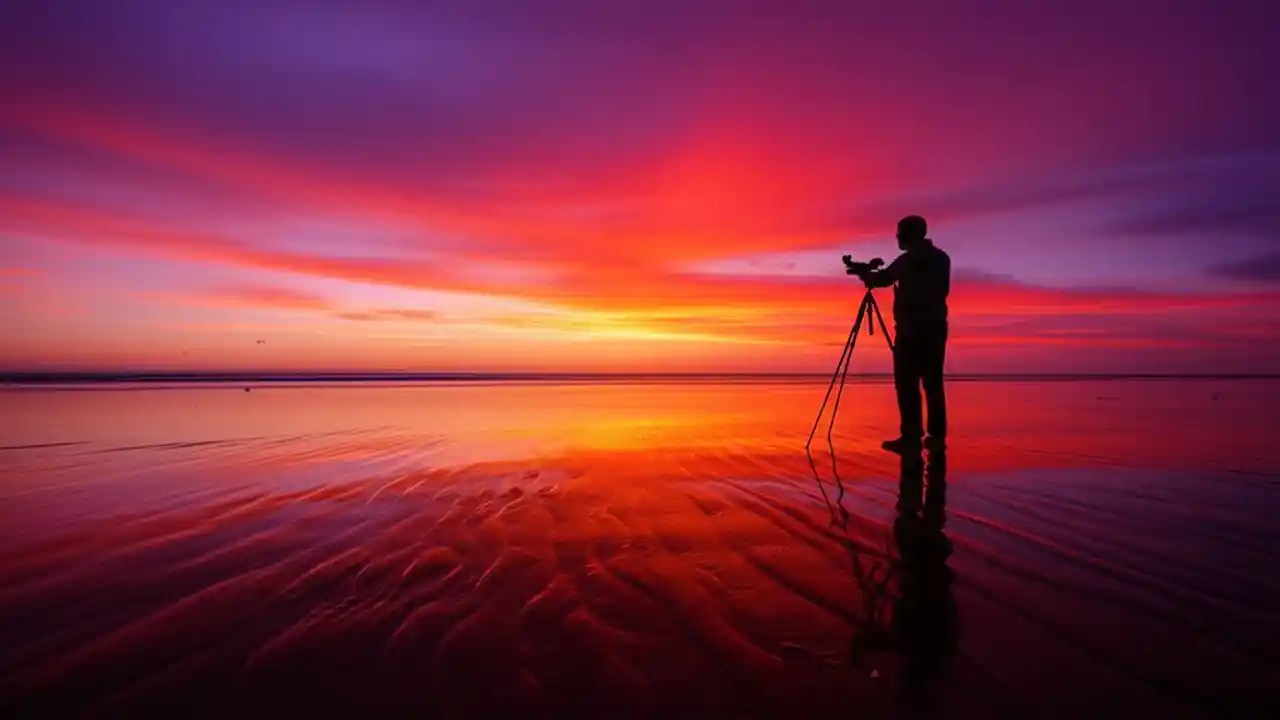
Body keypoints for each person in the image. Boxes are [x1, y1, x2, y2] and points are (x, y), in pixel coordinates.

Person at [860, 215, 950, 453]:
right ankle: (936, 436)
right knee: (933, 382)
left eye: (900, 232)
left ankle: (911, 437)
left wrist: (865, 274)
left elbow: (882, 279)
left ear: (910, 234)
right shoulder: (942, 258)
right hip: (936, 328)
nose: (897, 236)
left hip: (912, 330)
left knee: (906, 383)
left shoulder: (908, 260)